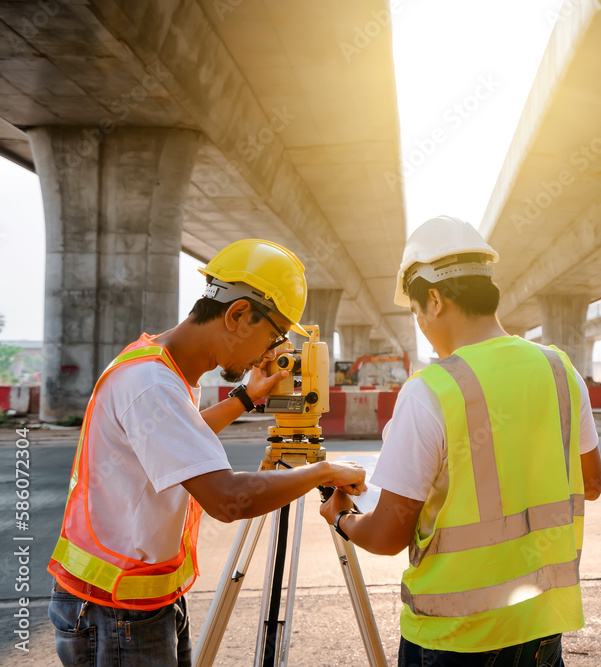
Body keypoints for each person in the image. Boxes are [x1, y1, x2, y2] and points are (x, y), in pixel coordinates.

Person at [47, 239, 366, 666]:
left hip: (139, 602)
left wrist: (245, 397)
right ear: (237, 315)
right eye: (274, 336)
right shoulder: (152, 384)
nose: (272, 353)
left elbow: (179, 440)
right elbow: (228, 499)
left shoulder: (161, 367)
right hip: (115, 612)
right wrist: (322, 471)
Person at [320, 216, 601, 666]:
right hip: (540, 628)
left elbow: (388, 535)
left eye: (416, 312)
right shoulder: (560, 370)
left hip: (454, 638)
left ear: (434, 300)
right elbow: (589, 483)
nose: (421, 324)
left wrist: (342, 517)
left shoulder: (431, 391)